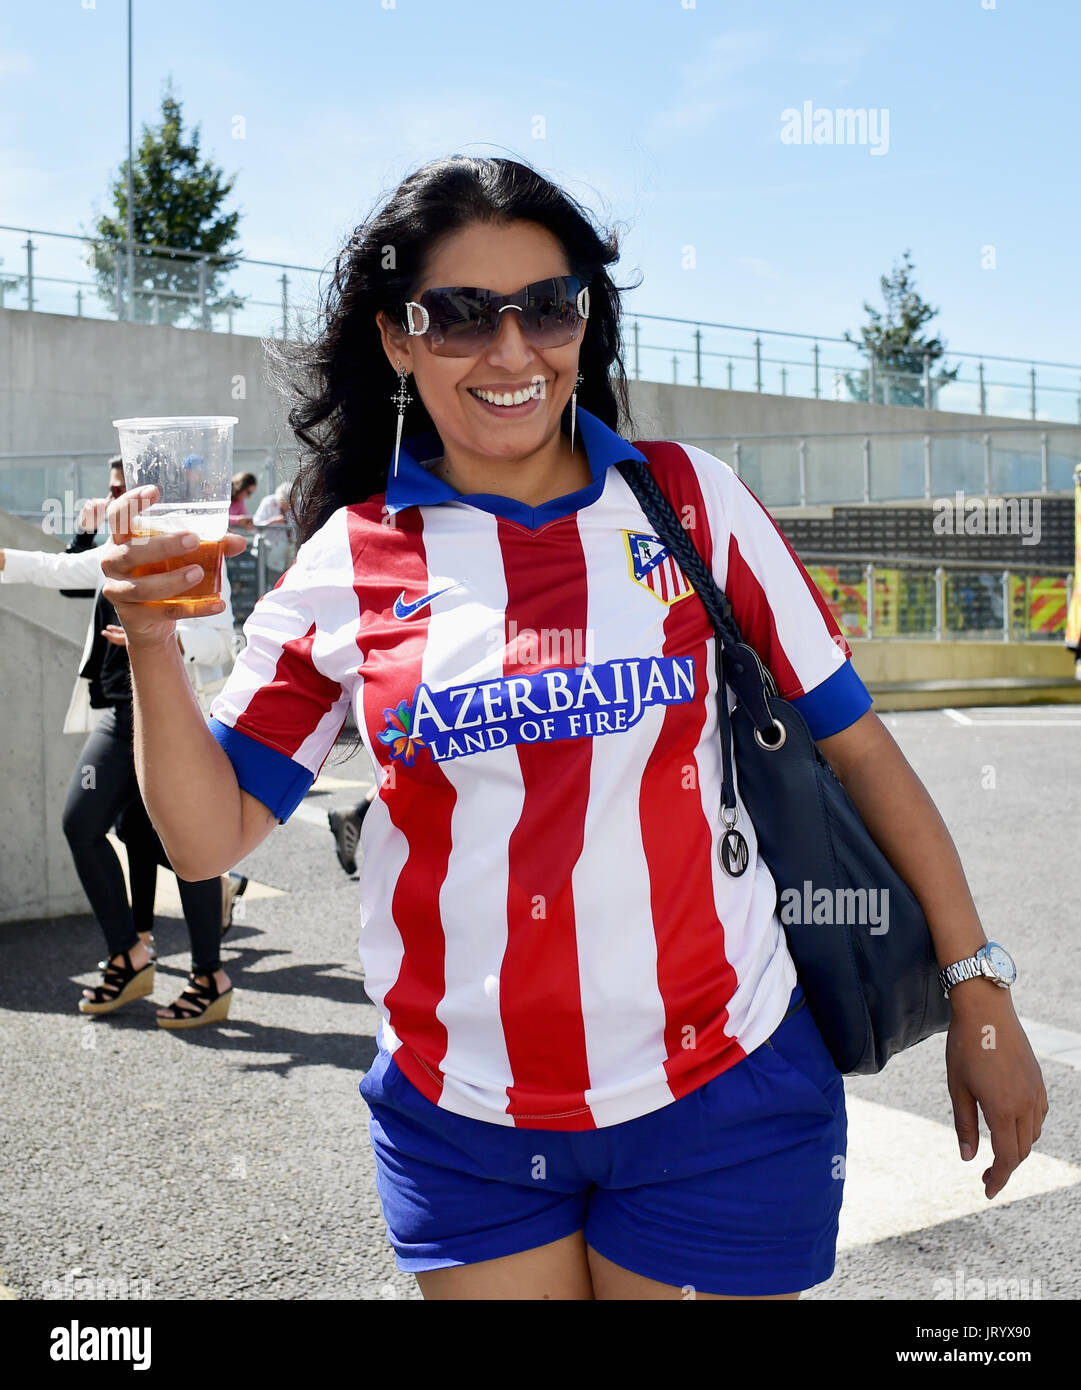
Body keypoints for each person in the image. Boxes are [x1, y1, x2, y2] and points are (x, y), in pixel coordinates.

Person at [98, 155, 1047, 1301]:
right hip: (469, 1125)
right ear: (398, 339)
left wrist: (978, 992)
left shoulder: (691, 501)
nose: (510, 352)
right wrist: (150, 640)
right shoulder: (349, 562)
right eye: (456, 317)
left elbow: (859, 748)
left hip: (725, 1091)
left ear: (584, 324)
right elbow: (204, 842)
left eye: (546, 308)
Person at [0, 455, 246, 1027]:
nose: (114, 501)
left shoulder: (191, 550)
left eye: (124, 490)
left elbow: (218, 641)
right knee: (140, 832)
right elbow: (57, 572)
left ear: (152, 496)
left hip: (159, 718)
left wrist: (169, 639)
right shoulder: (116, 552)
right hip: (114, 709)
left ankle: (190, 969)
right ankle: (149, 954)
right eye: (112, 491)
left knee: (86, 825)